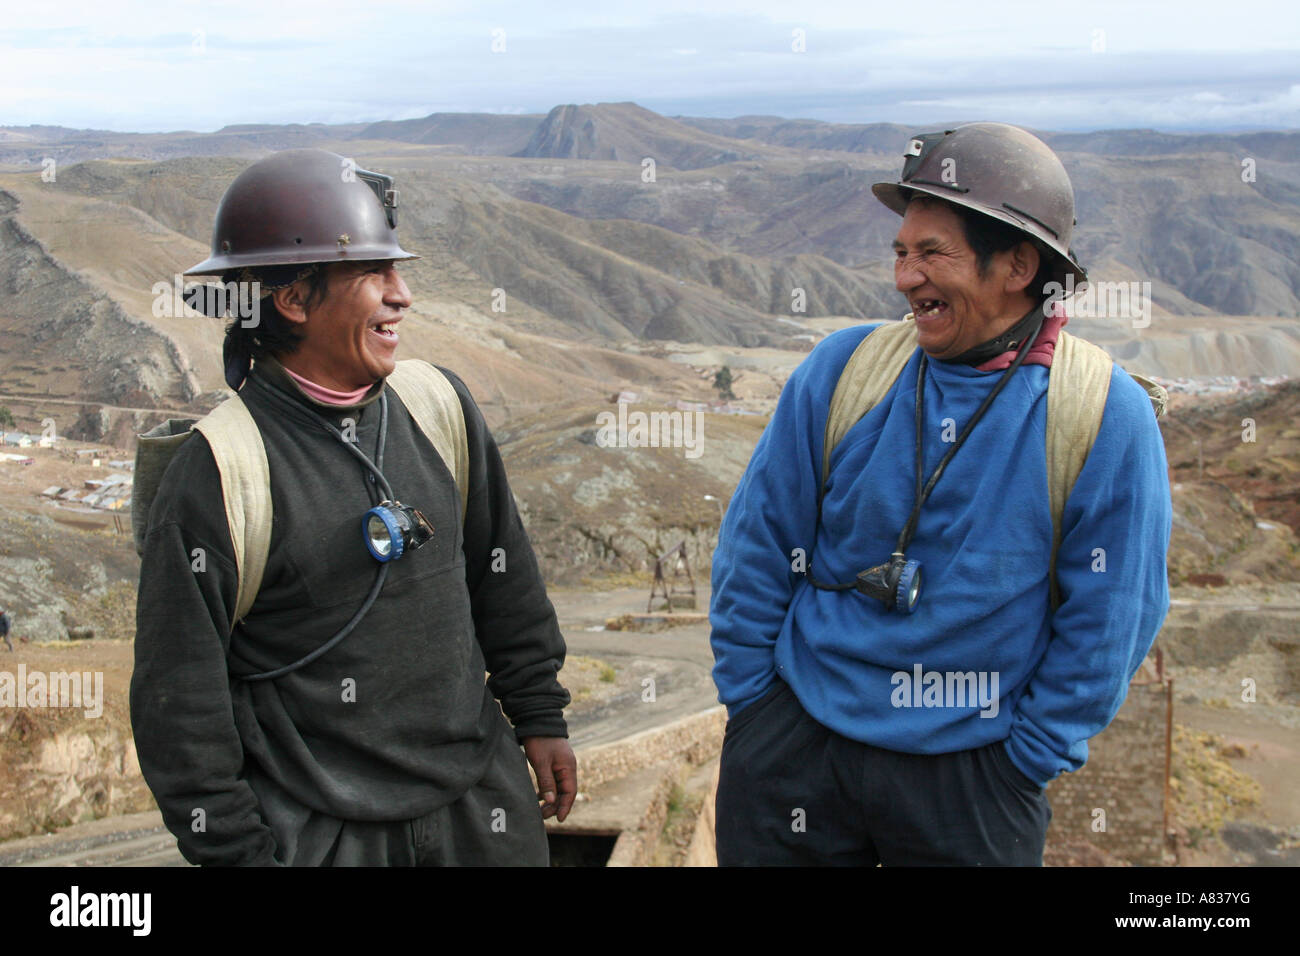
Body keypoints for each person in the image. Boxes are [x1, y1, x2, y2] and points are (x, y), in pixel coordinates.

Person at [709, 123, 1171, 866]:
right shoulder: (843, 371)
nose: (904, 277)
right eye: (900, 251)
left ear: (1018, 264)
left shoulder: (1100, 413)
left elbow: (1114, 614)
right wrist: (754, 706)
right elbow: (757, 544)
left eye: (931, 254)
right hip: (795, 750)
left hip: (973, 780)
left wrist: (1027, 759)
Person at [131, 148, 576, 866]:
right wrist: (240, 853)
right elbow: (178, 702)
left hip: (479, 809)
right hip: (321, 833)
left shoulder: (439, 408)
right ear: (295, 299)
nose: (403, 297)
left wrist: (540, 716)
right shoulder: (218, 473)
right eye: (376, 274)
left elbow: (504, 579)